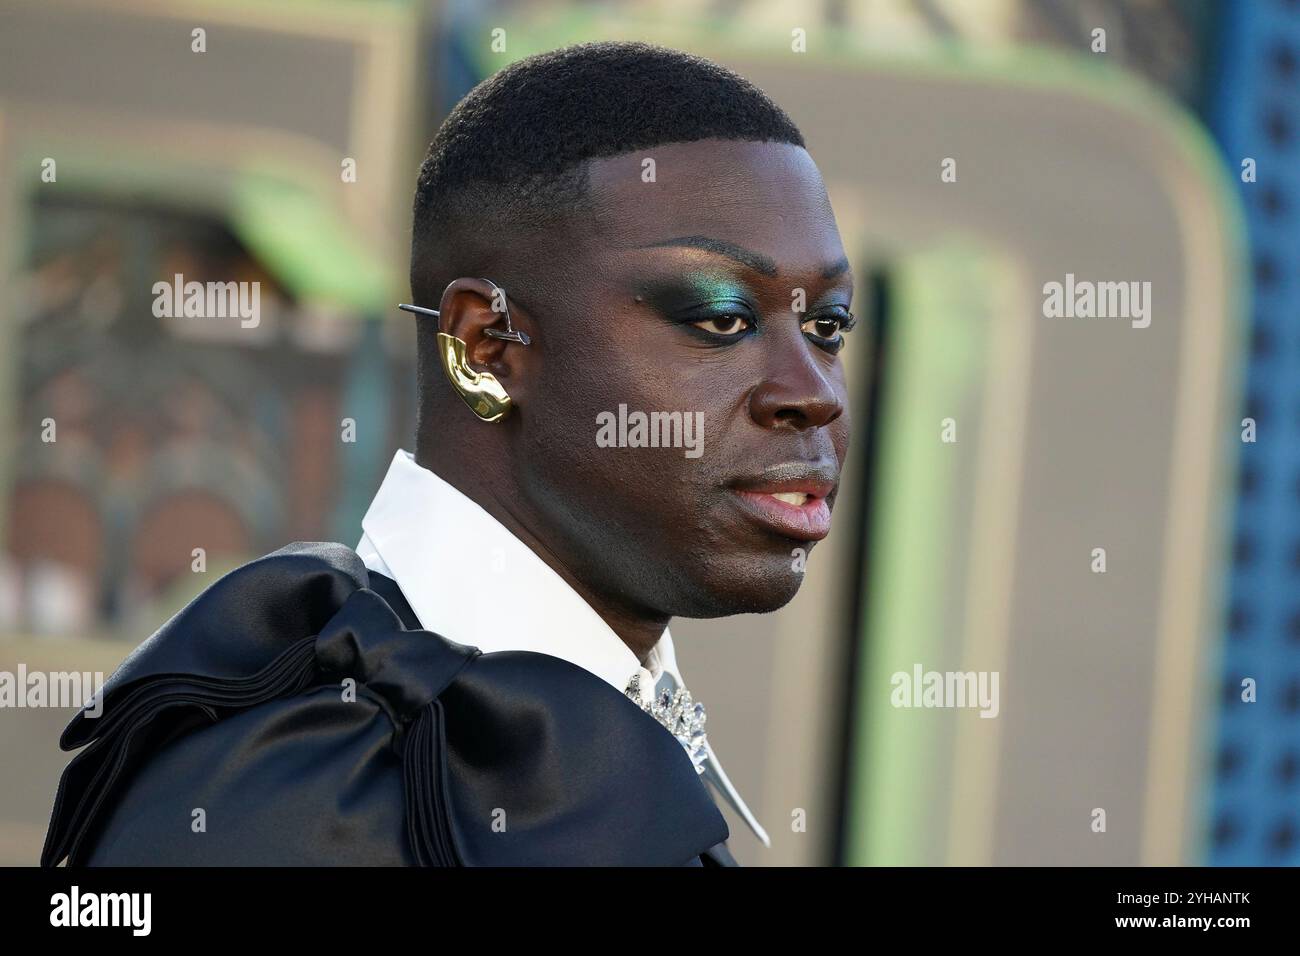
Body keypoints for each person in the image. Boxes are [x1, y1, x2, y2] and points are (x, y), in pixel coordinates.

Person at [42, 39, 855, 867]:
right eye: (720, 320)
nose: (814, 393)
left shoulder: (607, 732)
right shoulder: (310, 782)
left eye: (827, 326)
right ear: (487, 344)